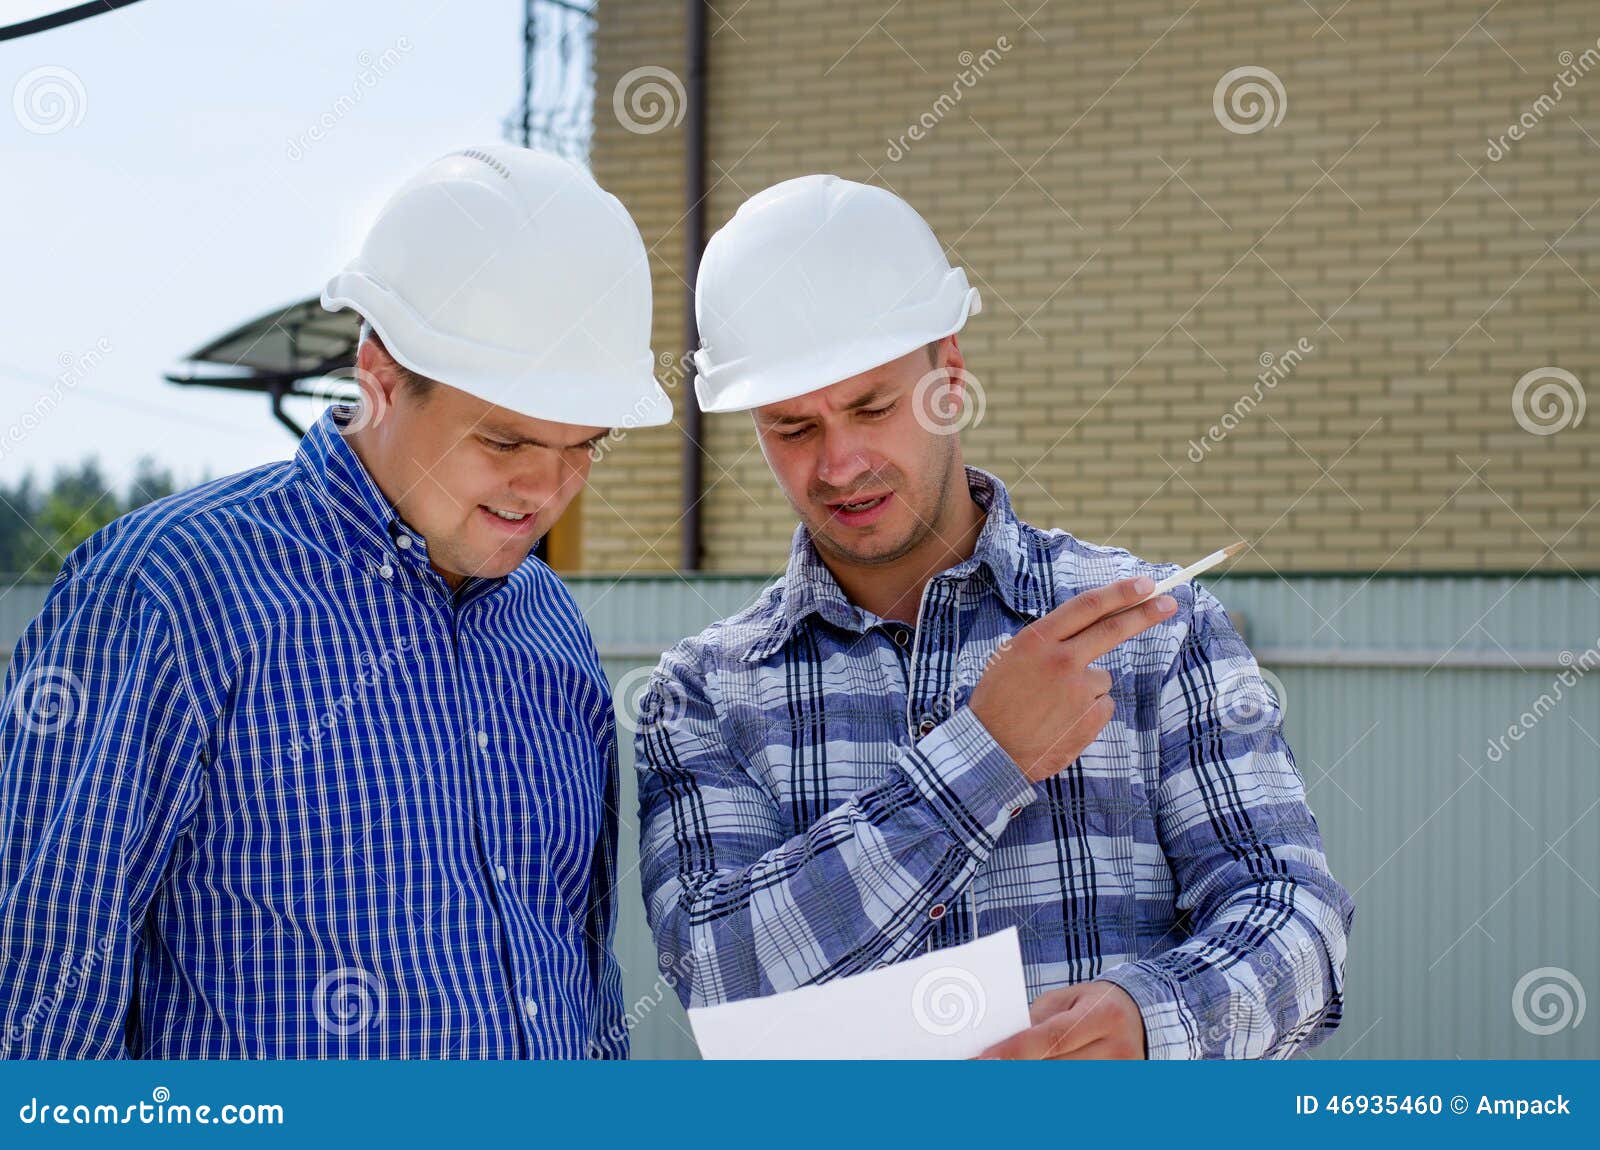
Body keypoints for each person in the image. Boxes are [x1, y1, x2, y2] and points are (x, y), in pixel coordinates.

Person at [634, 174, 1355, 1059]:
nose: (839, 463)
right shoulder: (706, 696)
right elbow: (719, 979)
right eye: (791, 428)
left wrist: (1149, 1024)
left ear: (950, 380)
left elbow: (1294, 915)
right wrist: (987, 758)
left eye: (871, 406)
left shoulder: (1152, 630)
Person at [0, 145, 672, 1058]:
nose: (546, 489)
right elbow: (39, 1008)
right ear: (381, 377)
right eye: (505, 441)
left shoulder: (547, 622)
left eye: (582, 445)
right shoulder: (168, 593)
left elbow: (582, 985)